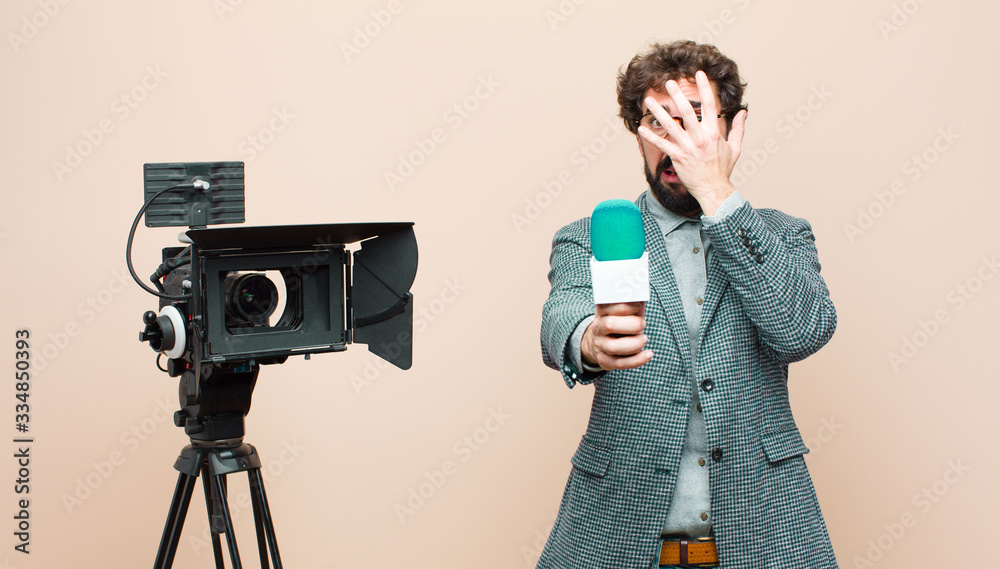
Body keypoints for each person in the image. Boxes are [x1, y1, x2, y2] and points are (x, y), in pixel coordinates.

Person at [537, 40, 839, 568]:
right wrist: (590, 338)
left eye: (695, 120)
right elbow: (564, 315)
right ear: (638, 137)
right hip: (614, 538)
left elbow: (803, 329)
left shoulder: (782, 236)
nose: (676, 141)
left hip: (767, 539)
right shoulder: (590, 235)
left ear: (728, 129)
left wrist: (717, 195)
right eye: (659, 123)